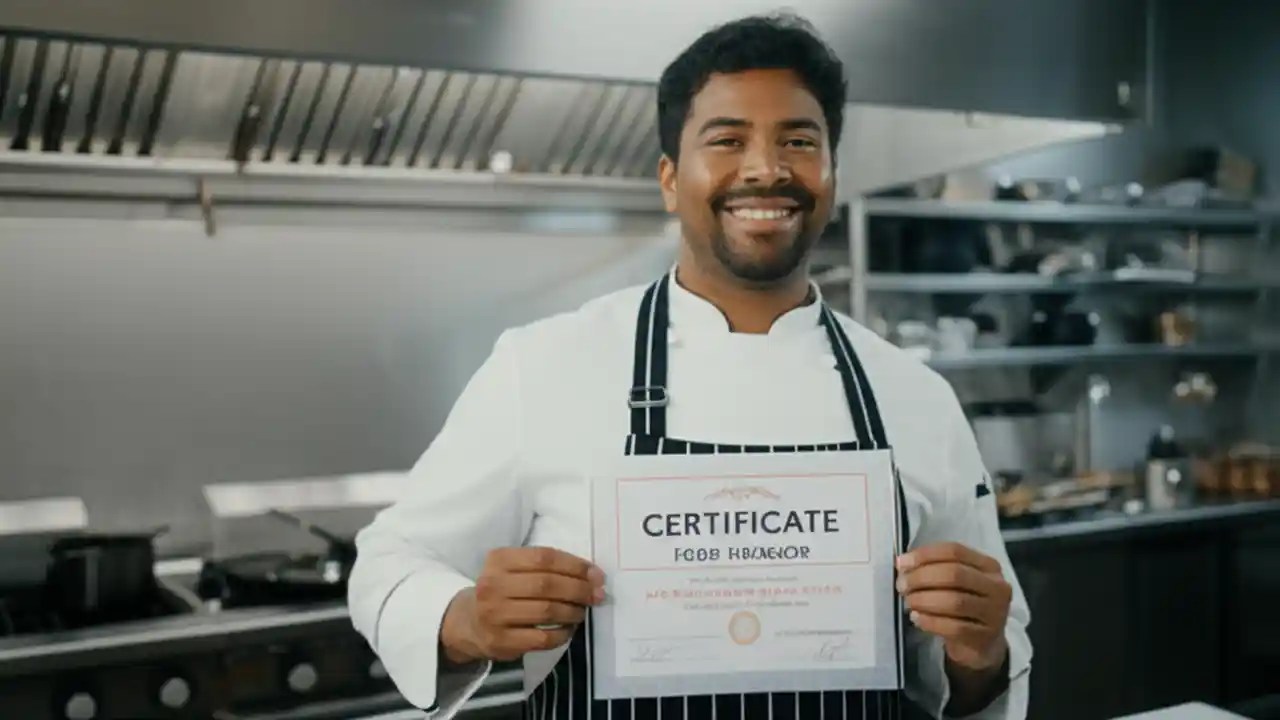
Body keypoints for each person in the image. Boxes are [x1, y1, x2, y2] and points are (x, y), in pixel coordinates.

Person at [349, 12, 1031, 720]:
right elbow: (389, 561)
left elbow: (983, 660)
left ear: (831, 174)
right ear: (671, 179)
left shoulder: (916, 397)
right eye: (728, 139)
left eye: (798, 140)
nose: (766, 168)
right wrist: (465, 620)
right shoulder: (544, 365)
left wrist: (980, 653)